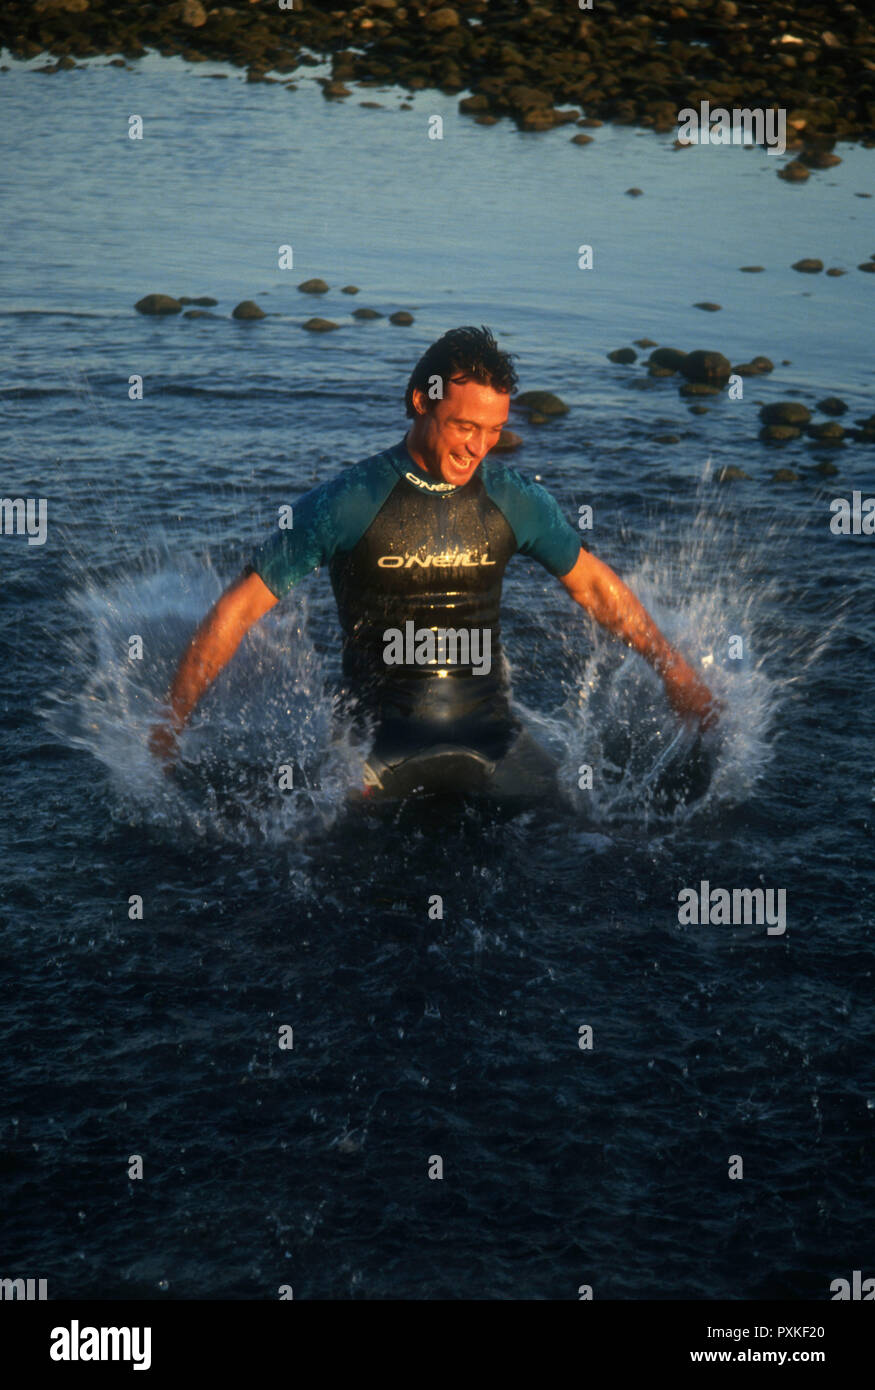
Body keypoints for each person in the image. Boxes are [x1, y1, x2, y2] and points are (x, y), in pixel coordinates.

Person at [149, 326, 719, 800]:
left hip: (491, 739)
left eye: (494, 431)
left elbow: (595, 587)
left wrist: (678, 674)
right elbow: (237, 609)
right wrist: (170, 728)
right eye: (465, 426)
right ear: (422, 401)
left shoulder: (514, 500)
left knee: (586, 832)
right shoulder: (346, 502)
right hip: (374, 749)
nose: (479, 448)